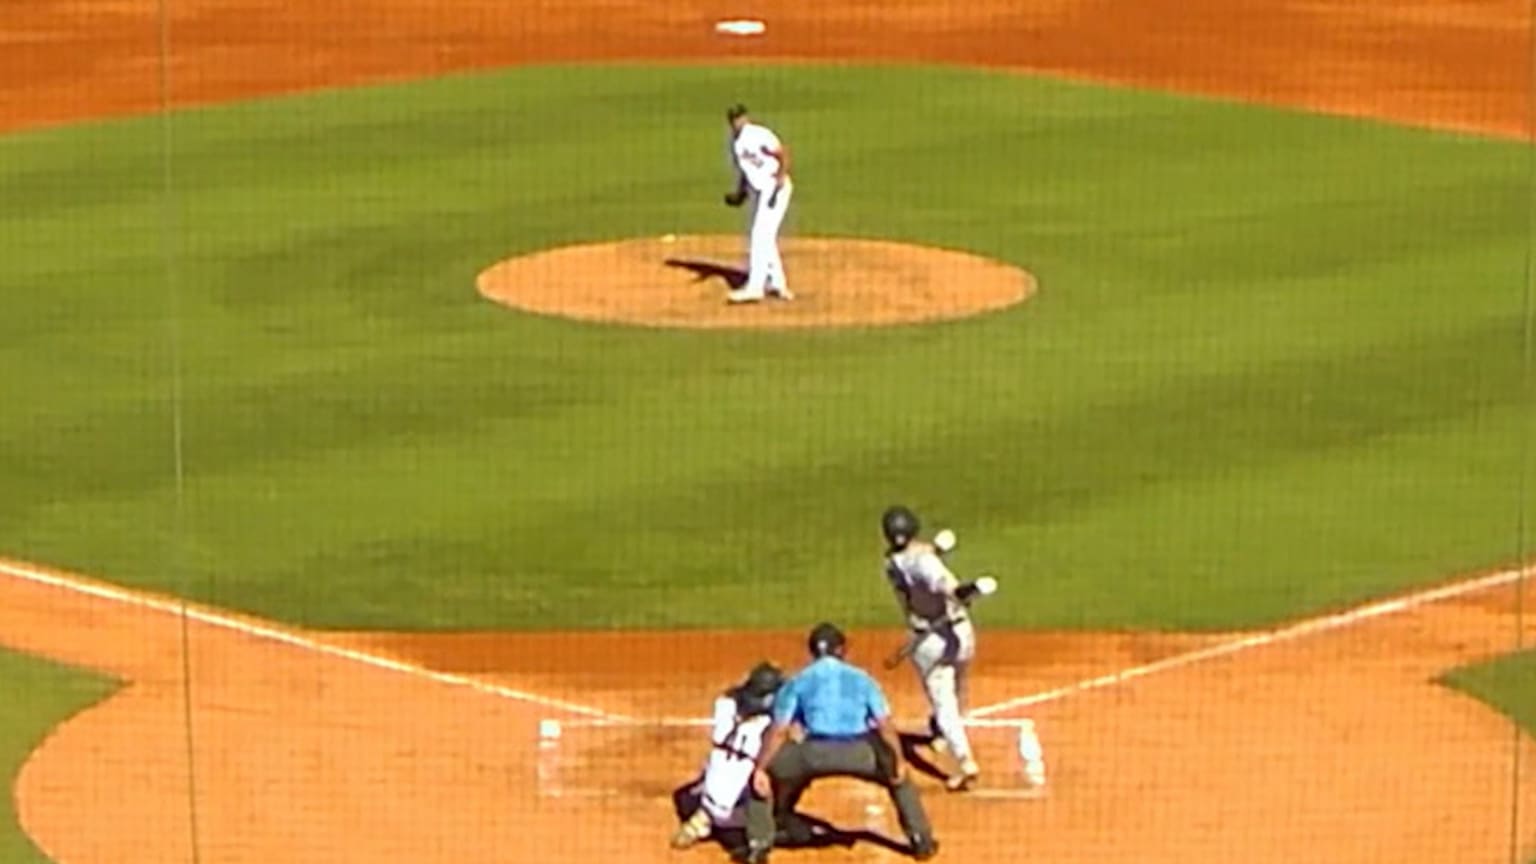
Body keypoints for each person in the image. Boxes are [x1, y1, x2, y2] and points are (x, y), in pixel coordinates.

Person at [738, 623, 937, 864]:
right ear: (841, 649)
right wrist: (898, 761)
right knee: (901, 780)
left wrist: (761, 769)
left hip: (811, 754)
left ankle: (759, 844)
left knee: (766, 776)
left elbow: (778, 731)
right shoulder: (862, 679)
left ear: (812, 651)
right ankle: (921, 840)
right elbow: (885, 726)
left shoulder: (798, 681)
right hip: (860, 753)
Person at [881, 505, 997, 792]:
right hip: (959, 634)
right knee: (956, 689)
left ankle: (963, 758)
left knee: (944, 702)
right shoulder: (924, 562)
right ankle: (956, 748)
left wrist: (938, 547)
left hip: (927, 640)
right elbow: (941, 581)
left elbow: (921, 559)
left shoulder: (892, 563)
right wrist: (967, 591)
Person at [671, 662, 785, 849]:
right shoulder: (769, 725)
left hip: (709, 801)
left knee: (716, 761)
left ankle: (703, 819)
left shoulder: (723, 705)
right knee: (777, 768)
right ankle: (763, 831)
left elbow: (733, 696)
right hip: (739, 818)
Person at [722, 103, 793, 304]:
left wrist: (780, 177)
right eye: (734, 120)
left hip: (774, 188)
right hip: (761, 191)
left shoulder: (759, 134)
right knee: (765, 235)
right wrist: (740, 194)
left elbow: (782, 153)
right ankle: (778, 284)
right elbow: (747, 171)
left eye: (740, 118)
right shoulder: (736, 143)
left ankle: (755, 288)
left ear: (746, 117)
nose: (737, 122)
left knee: (760, 235)